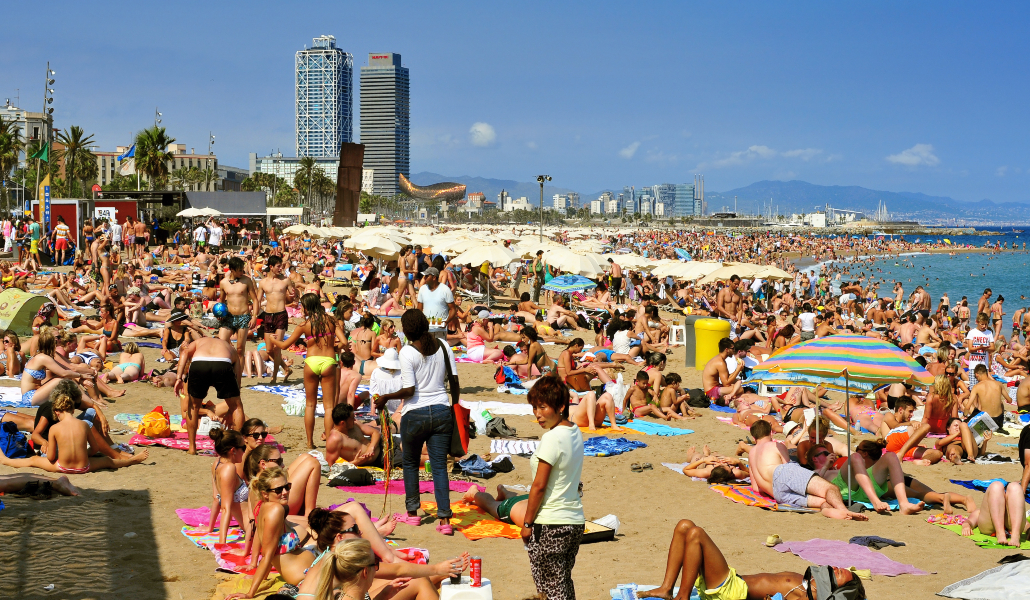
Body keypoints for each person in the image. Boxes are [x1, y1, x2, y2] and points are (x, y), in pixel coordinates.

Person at [374, 309, 458, 536]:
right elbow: (454, 381)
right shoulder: (443, 346)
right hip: (442, 410)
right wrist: (455, 407)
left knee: (410, 463)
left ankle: (412, 513)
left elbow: (410, 390)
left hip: (415, 413)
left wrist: (386, 397)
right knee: (439, 466)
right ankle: (445, 519)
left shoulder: (408, 352)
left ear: (409, 330)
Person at [637, 520, 865, 600]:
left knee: (696, 534)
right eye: (840, 568)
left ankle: (682, 597)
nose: (837, 568)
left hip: (731, 592)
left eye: (840, 574)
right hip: (730, 583)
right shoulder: (809, 582)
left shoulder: (809, 597)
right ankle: (667, 588)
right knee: (684, 526)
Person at [521, 375, 585, 600]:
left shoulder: (552, 438)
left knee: (550, 590)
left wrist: (527, 524)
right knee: (562, 583)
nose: (537, 414)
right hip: (574, 522)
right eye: (534, 407)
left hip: (551, 524)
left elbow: (539, 486)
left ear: (560, 407)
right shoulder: (574, 431)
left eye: (543, 407)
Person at [0, 384, 148, 473]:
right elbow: (95, 449)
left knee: (32, 460)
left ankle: (5, 461)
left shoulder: (55, 428)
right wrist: (84, 453)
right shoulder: (83, 425)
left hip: (61, 466)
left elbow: (51, 458)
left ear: (57, 411)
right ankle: (132, 460)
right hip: (84, 466)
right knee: (108, 461)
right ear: (72, 409)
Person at [747, 420, 867, 520]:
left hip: (777, 494)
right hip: (782, 473)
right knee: (830, 488)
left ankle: (827, 509)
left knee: (822, 501)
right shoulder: (775, 445)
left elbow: (756, 488)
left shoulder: (751, 454)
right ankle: (845, 511)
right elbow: (787, 467)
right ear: (771, 432)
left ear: (754, 437)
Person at [272, 293, 346, 448]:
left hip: (311, 362)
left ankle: (310, 442)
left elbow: (284, 345)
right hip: (328, 361)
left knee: (310, 405)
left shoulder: (304, 325)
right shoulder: (332, 321)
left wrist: (273, 340)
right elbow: (344, 342)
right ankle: (329, 442)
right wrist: (334, 348)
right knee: (329, 407)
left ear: (306, 308)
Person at [175, 336, 244, 454]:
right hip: (223, 363)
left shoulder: (199, 341)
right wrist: (231, 410)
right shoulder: (229, 347)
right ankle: (236, 447)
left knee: (193, 407)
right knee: (237, 407)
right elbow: (238, 382)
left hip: (199, 363)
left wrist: (178, 378)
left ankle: (192, 448)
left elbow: (185, 352)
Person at [244, 444, 322, 517]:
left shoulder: (256, 480)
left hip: (277, 504)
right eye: (278, 461)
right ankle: (309, 513)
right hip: (280, 511)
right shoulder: (259, 484)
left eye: (281, 460)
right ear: (263, 464)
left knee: (305, 456)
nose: (283, 465)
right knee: (313, 463)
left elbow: (251, 512)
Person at [205, 428, 254, 545]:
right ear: (233, 450)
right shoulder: (229, 468)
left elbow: (216, 498)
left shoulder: (217, 463)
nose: (244, 451)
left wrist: (210, 528)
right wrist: (222, 543)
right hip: (253, 525)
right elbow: (225, 508)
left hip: (249, 523)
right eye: (243, 448)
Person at [256, 255, 295, 384]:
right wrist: (254, 315)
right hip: (268, 315)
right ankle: (286, 368)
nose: (281, 268)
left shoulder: (286, 280)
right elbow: (258, 300)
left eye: (281, 266)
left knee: (277, 348)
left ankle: (274, 377)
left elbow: (292, 297)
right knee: (269, 350)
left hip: (281, 315)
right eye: (278, 266)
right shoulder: (263, 282)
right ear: (271, 267)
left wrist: (293, 296)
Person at [961, 480, 1027, 547]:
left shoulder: (1012, 509)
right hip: (990, 528)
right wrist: (966, 525)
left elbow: (1025, 523)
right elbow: (970, 521)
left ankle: (1015, 535)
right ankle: (1000, 533)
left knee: (1015, 486)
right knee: (996, 486)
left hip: (1013, 529)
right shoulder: (981, 511)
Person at [701, 338, 743, 404]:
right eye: (732, 348)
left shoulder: (720, 359)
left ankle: (729, 397)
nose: (734, 350)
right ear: (727, 350)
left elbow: (728, 378)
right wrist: (737, 370)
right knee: (740, 389)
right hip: (711, 392)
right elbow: (726, 384)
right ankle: (730, 396)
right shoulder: (720, 363)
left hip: (715, 388)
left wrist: (738, 369)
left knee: (737, 383)